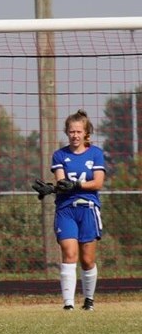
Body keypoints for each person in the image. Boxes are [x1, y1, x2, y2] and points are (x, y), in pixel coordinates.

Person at [51, 109, 105, 311]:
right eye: (71, 131)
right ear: (67, 132)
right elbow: (61, 181)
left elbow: (98, 182)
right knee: (69, 253)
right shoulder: (59, 155)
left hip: (88, 209)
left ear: (85, 133)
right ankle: (68, 304)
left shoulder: (96, 154)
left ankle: (89, 300)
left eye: (78, 132)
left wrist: (76, 186)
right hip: (66, 209)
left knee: (87, 259)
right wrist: (54, 187)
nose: (75, 135)